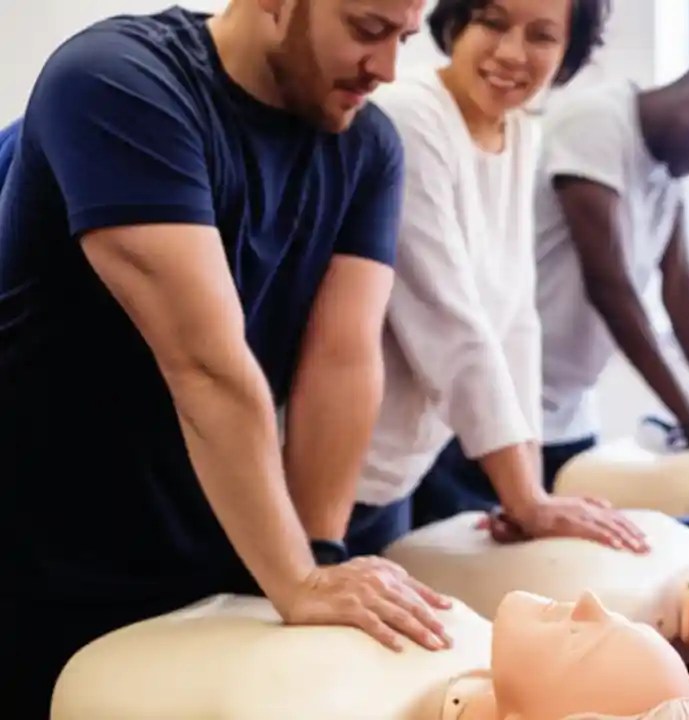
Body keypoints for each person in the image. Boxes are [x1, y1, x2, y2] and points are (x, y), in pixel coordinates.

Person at [0, 1, 455, 716]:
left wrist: (318, 555)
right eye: (368, 31)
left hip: (205, 523)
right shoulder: (117, 82)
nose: (388, 69)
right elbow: (205, 365)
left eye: (403, 37)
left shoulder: (367, 145)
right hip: (39, 536)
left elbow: (340, 360)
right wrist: (296, 582)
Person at [345, 0, 647, 556]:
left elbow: (514, 324)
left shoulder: (519, 134)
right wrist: (526, 499)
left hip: (399, 470)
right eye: (493, 22)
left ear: (567, 53)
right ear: (457, 21)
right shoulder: (409, 115)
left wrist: (527, 494)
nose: (512, 53)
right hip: (329, 469)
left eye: (541, 36)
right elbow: (449, 320)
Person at [533, 40, 689, 486]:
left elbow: (682, 290)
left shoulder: (667, 171)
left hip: (569, 410)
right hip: (502, 405)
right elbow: (609, 286)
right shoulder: (597, 123)